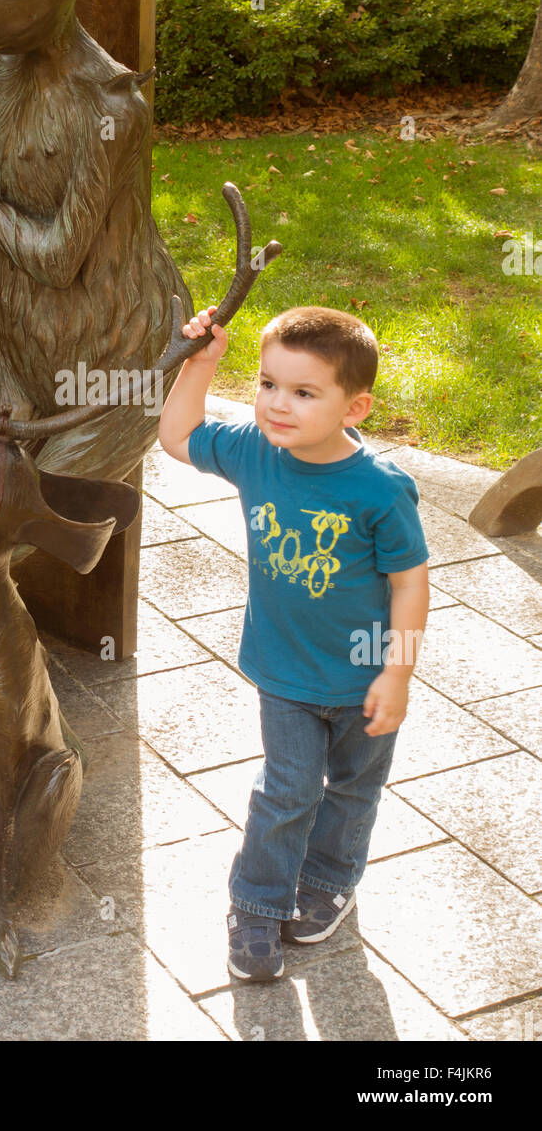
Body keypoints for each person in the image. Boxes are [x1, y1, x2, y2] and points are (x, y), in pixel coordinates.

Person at [158, 304, 430, 981]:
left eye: (304, 393)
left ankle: (331, 879)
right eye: (267, 383)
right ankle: (256, 901)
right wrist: (202, 362)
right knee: (287, 790)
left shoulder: (379, 490)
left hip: (366, 676)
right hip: (285, 674)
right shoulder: (256, 450)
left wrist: (395, 676)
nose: (277, 404)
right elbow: (178, 435)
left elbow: (410, 584)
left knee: (353, 790)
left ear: (355, 407)